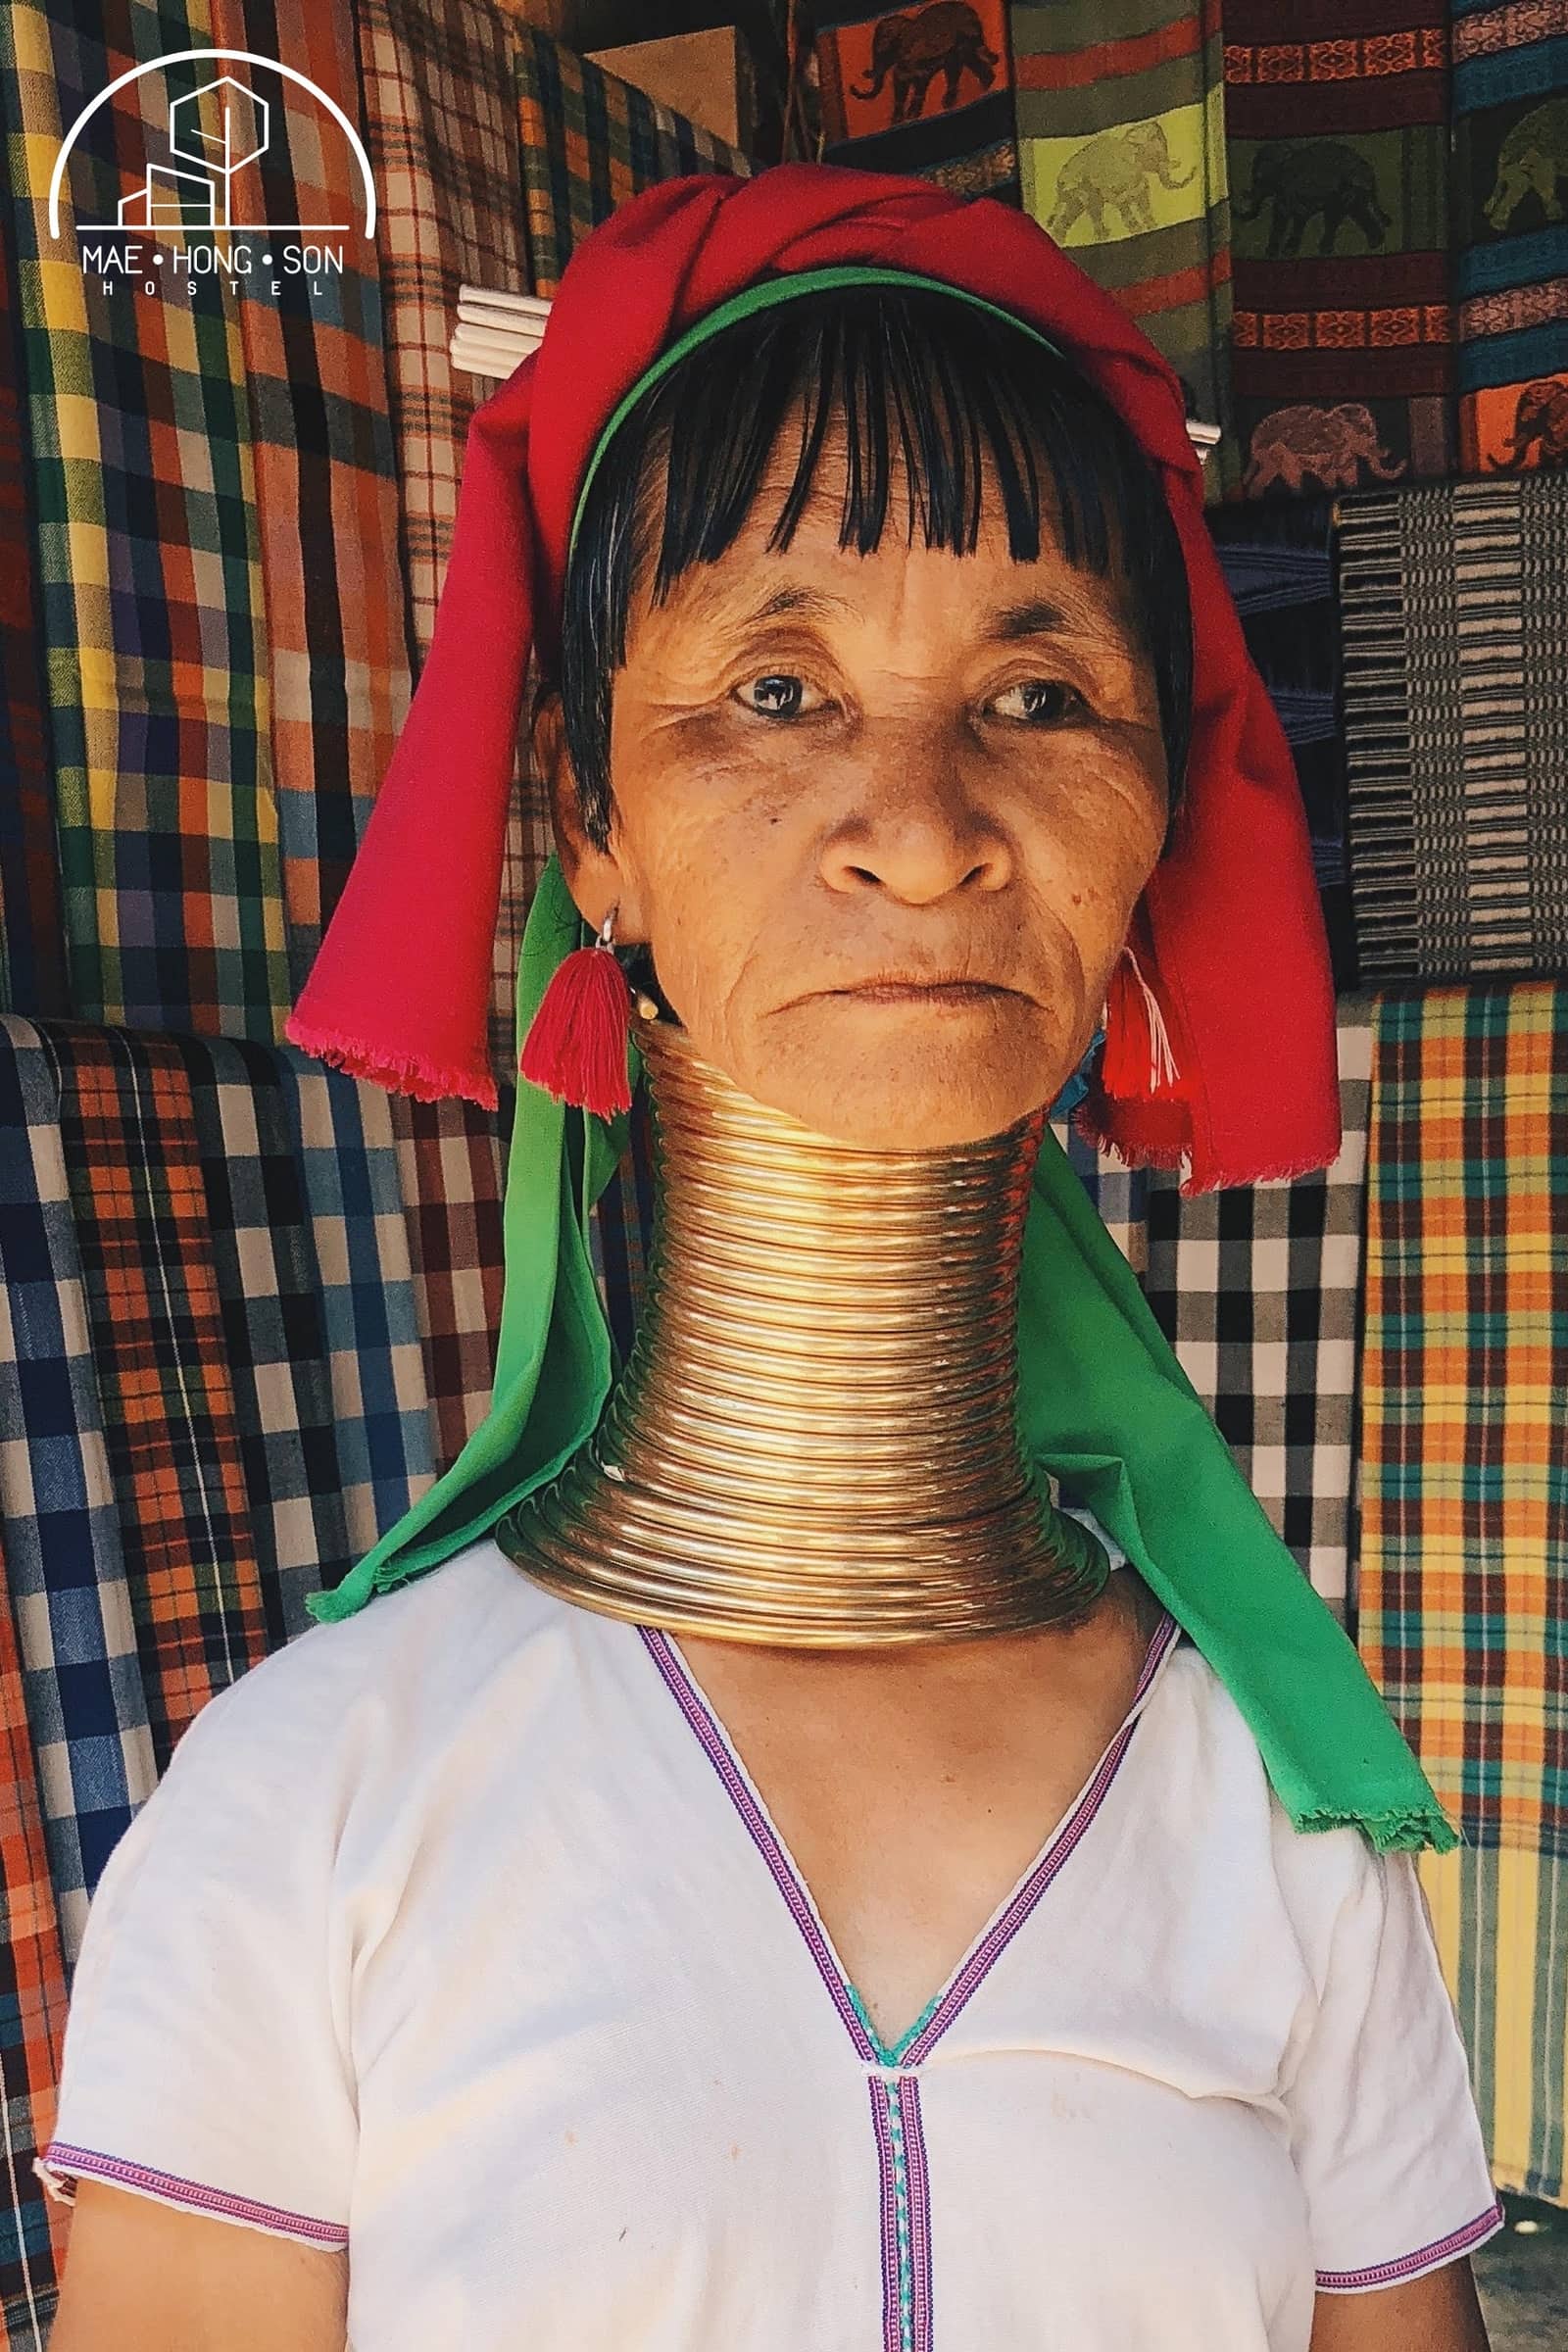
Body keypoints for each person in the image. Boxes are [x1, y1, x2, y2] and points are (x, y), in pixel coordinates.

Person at [39, 165, 1500, 2352]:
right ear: (591, 818)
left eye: (1039, 699)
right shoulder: (315, 1799)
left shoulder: (1271, 1806)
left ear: (1152, 826)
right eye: (778, 687)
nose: (918, 825)